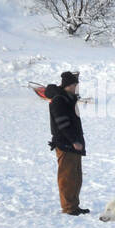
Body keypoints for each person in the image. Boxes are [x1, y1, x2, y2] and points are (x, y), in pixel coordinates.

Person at [48, 70, 88, 215]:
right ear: (68, 85)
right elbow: (62, 123)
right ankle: (68, 207)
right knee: (67, 177)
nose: (76, 87)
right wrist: (73, 141)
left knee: (76, 177)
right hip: (66, 144)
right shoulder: (59, 99)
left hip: (74, 143)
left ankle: (74, 205)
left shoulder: (68, 98)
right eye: (74, 84)